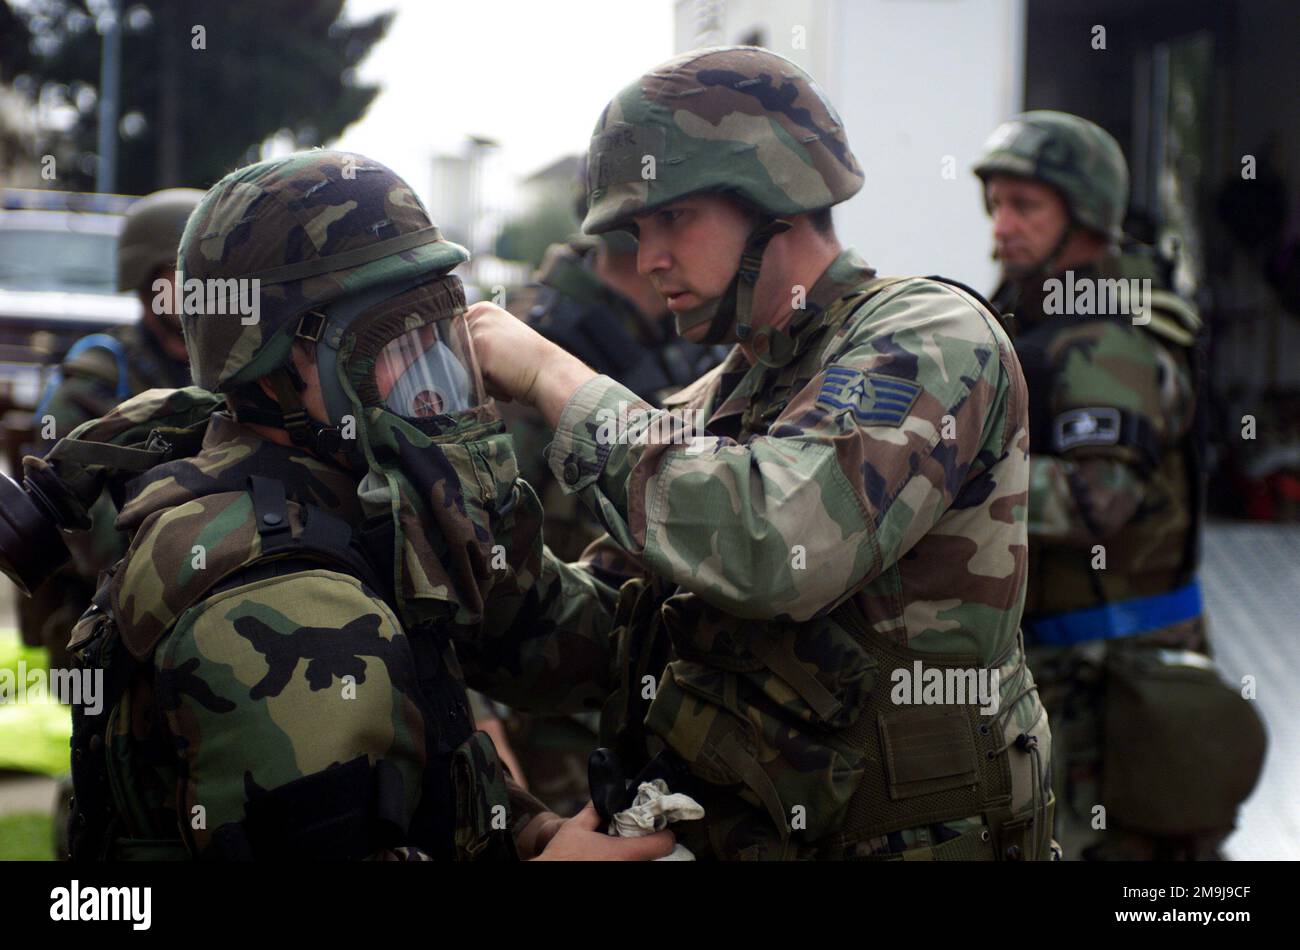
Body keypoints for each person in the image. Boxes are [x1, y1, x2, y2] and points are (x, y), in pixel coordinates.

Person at [462, 46, 1055, 860]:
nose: (649, 258)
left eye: (673, 217)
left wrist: (551, 376)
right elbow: (605, 629)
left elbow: (777, 543)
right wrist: (462, 533)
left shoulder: (930, 337)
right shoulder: (726, 393)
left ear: (777, 193)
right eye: (638, 230)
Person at [62, 150, 671, 862]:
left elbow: (570, 646)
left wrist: (531, 833)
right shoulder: (281, 593)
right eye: (402, 343)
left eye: (445, 341)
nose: (437, 381)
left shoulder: (349, 501)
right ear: (283, 368)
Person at [974, 110, 1266, 859]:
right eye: (996, 203)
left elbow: (1096, 499)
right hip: (1070, 674)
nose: (1002, 226)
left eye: (1026, 206)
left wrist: (949, 477)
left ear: (1087, 217)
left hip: (1115, 685)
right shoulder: (1043, 317)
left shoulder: (1107, 337)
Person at [19, 188, 200, 668]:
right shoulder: (97, 379)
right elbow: (87, 532)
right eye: (186, 275)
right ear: (146, 279)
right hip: (113, 627)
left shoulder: (233, 372)